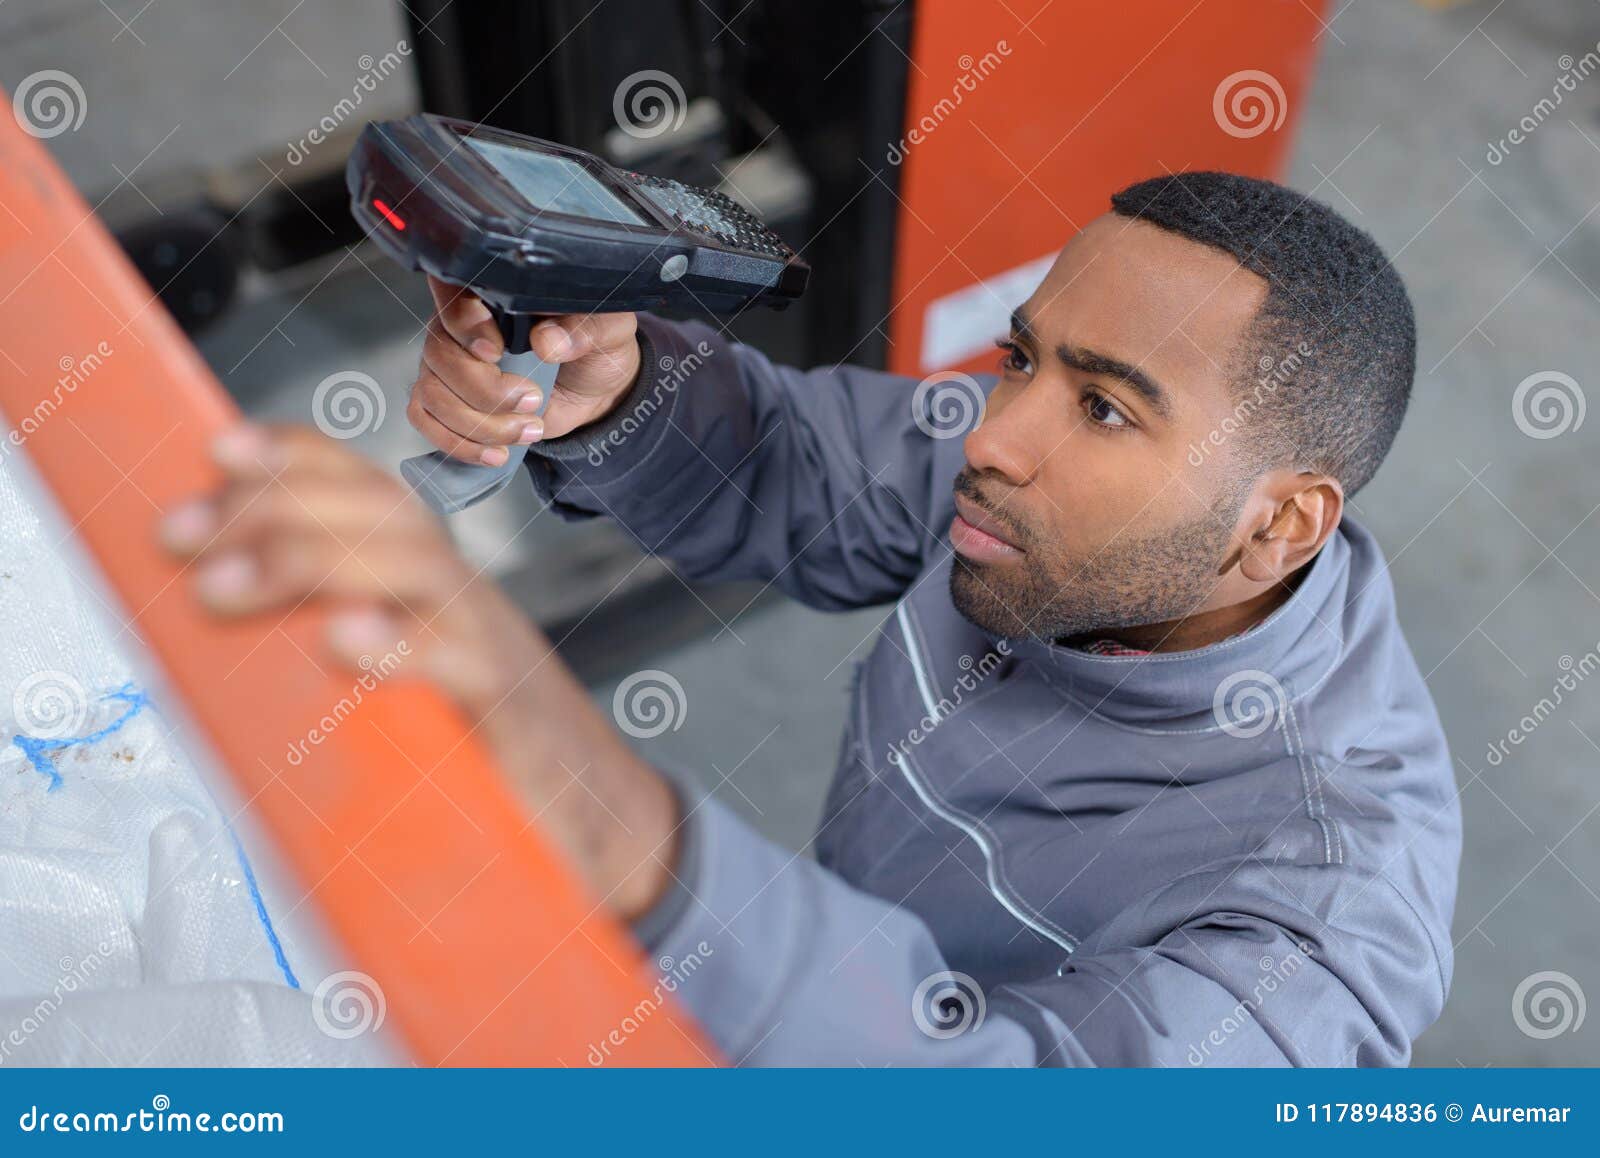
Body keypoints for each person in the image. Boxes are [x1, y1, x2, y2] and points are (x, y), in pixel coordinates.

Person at [162, 171, 1460, 1066]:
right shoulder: (1013, 483)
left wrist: (626, 833)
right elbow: (798, 472)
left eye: (1107, 408)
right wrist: (613, 393)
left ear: (1282, 523)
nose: (993, 436)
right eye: (1023, 358)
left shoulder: (1323, 910)